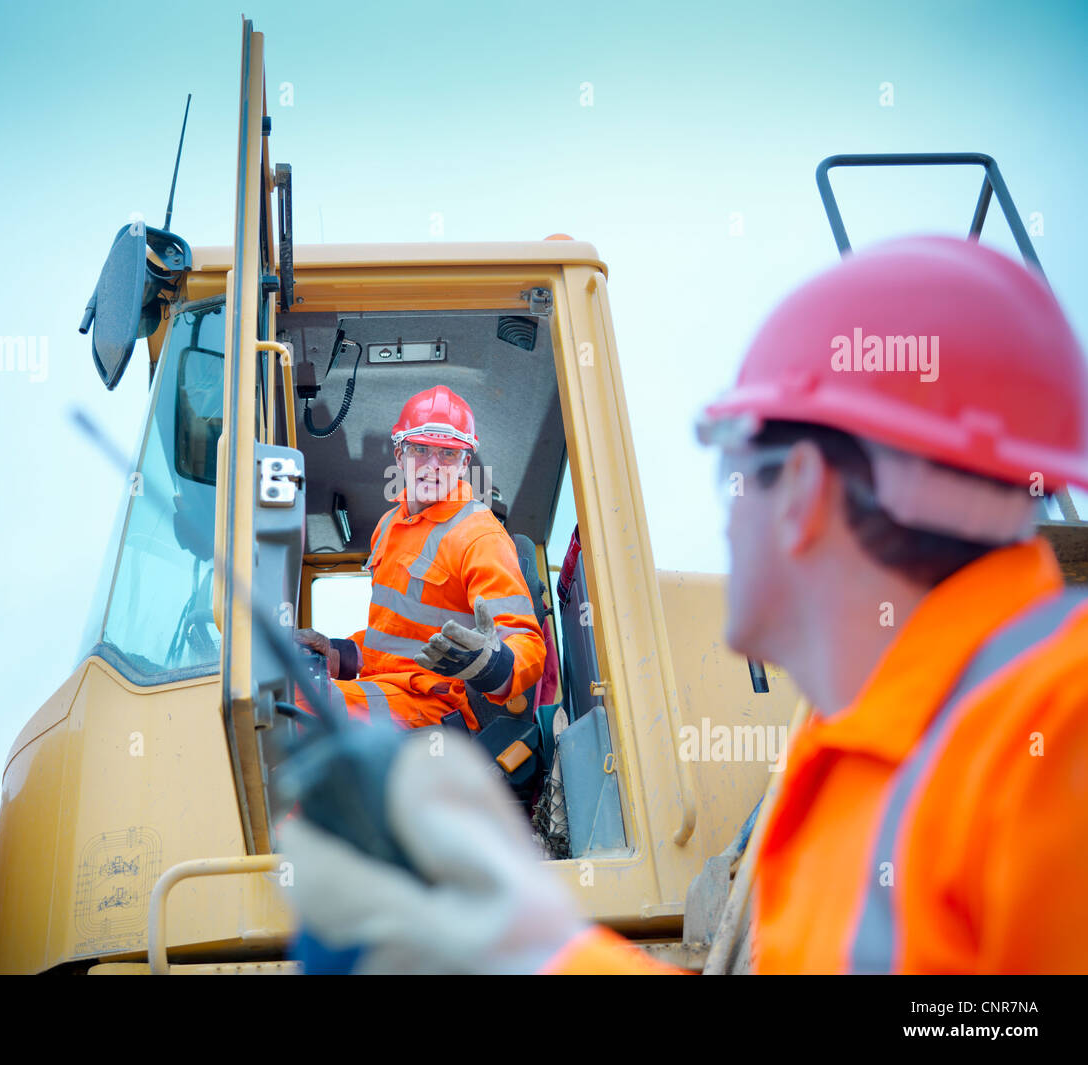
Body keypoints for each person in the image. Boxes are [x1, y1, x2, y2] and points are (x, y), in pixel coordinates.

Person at [279, 235, 1088, 974]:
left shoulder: (1054, 732)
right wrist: (532, 949)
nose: (721, 504)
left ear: (801, 491)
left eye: (731, 458)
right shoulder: (854, 752)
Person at [295, 385, 546, 731]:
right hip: (389, 688)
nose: (432, 465)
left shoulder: (479, 536)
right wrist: (335, 652)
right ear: (400, 455)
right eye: (420, 450)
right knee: (283, 684)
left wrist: (491, 662)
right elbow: (391, 641)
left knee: (296, 703)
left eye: (447, 454)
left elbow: (528, 644)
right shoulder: (388, 526)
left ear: (464, 464)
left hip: (437, 706)